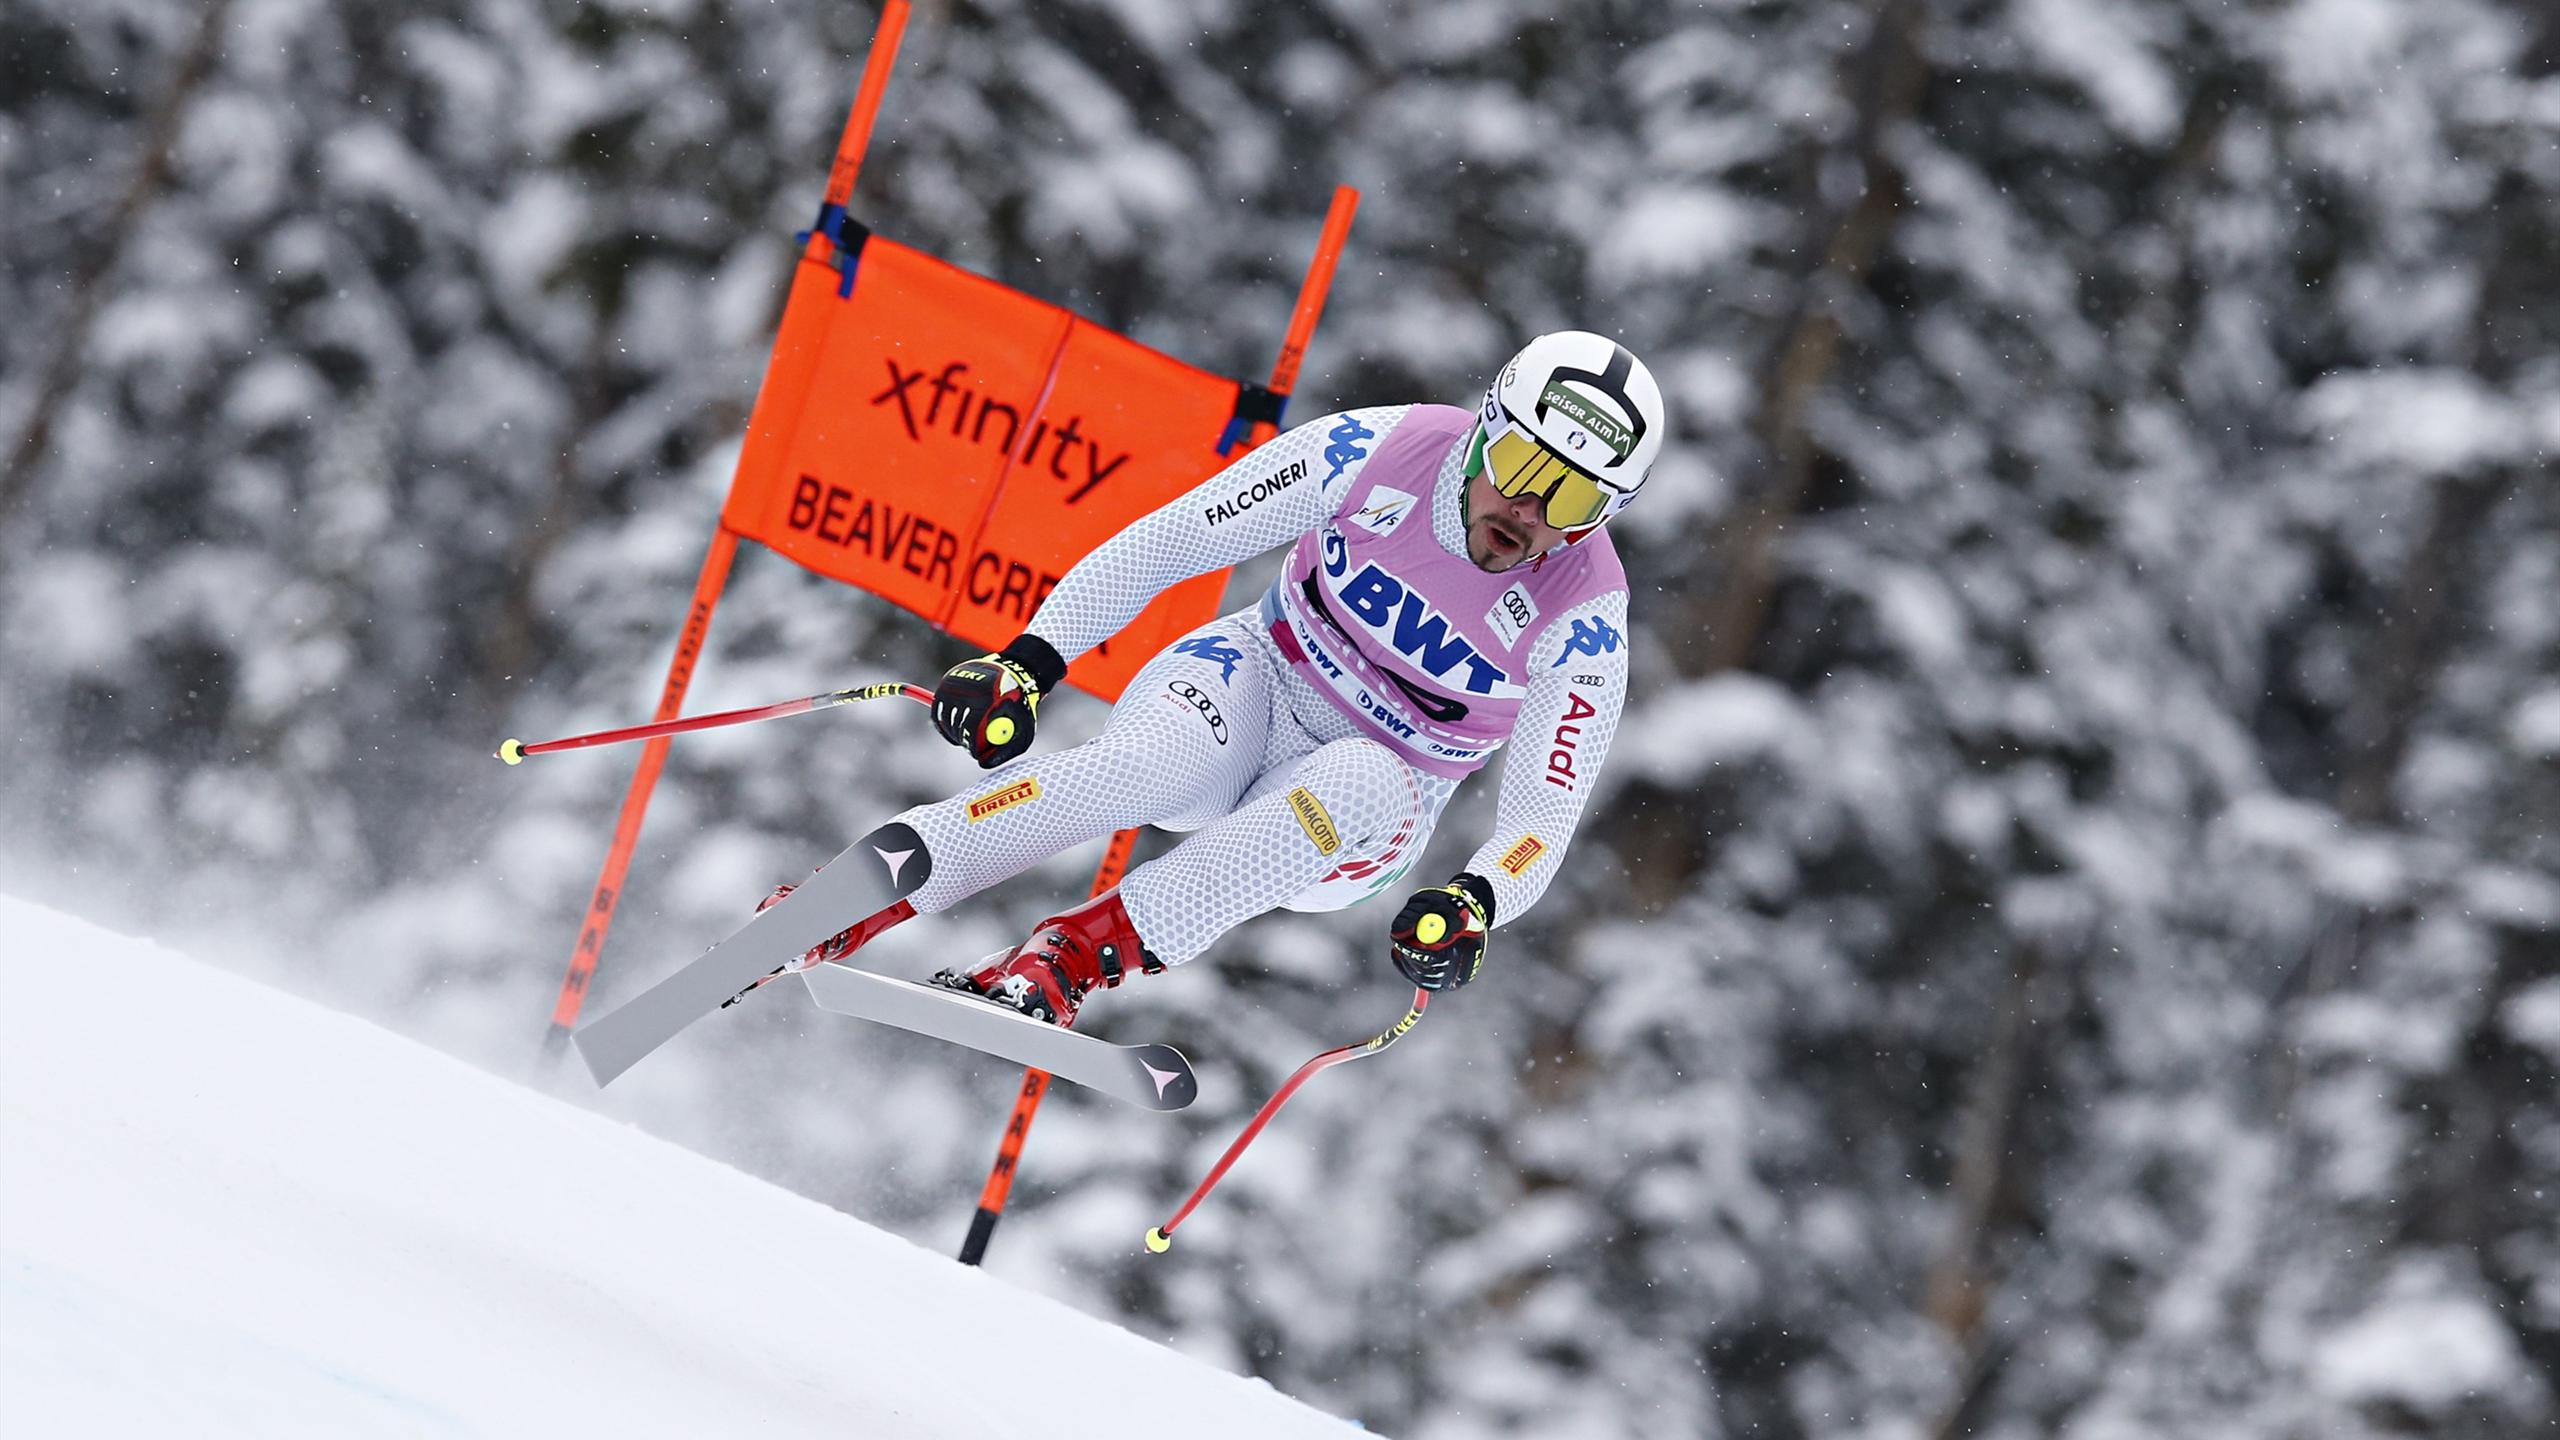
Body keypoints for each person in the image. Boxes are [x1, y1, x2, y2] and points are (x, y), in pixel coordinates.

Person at [775, 330, 1662, 1027]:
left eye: (1574, 501)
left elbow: (1542, 822)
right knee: (1145, 763)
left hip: (1366, 810)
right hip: (1258, 678)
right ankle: (865, 893)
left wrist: (1479, 899)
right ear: (1485, 431)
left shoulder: (1585, 617)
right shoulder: (1381, 448)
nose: (1531, 510)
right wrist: (1029, 661)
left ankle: (1073, 955)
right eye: (1524, 468)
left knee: (1358, 779)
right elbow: (1179, 536)